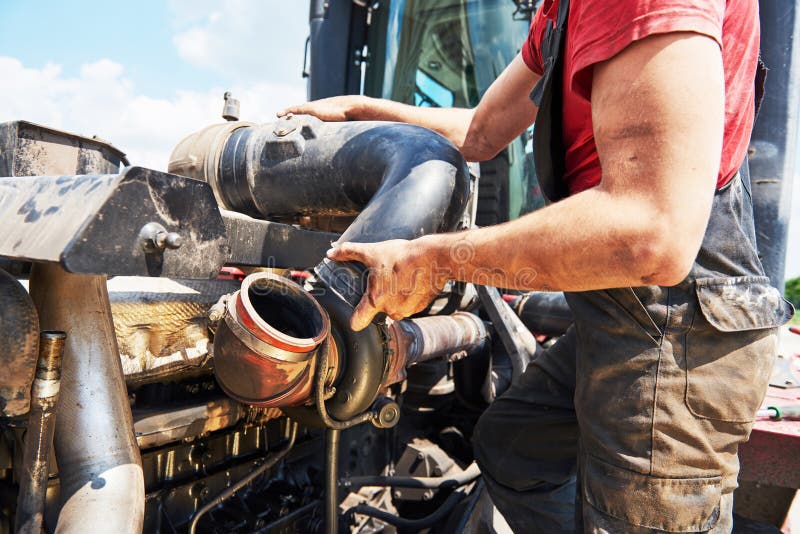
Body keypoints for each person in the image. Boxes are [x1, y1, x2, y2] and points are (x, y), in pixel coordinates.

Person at [280, 0, 794, 531]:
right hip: (621, 305)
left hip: (678, 325)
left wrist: (436, 260)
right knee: (514, 445)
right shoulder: (559, 12)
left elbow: (651, 233)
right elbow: (481, 131)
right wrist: (362, 113)